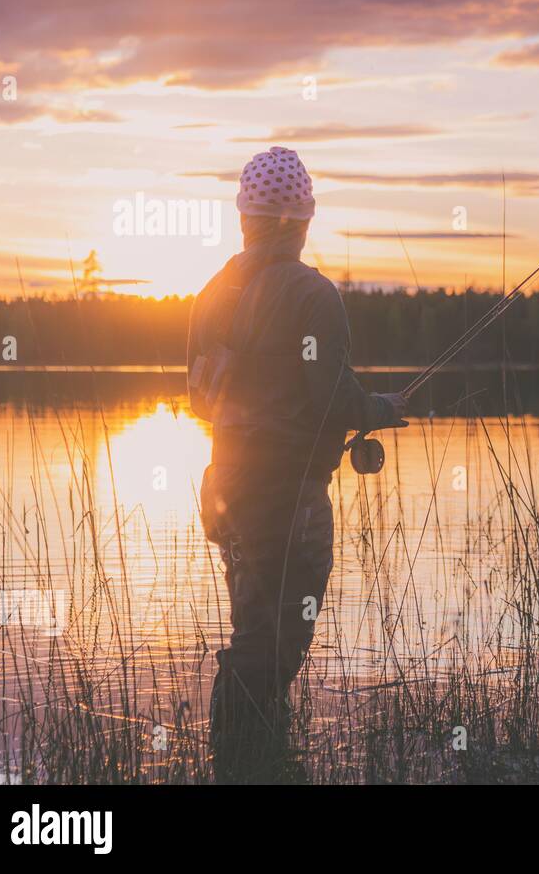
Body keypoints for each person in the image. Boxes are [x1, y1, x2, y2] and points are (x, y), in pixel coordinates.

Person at [187, 146, 407, 783]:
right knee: (277, 638)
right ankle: (247, 760)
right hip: (287, 499)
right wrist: (381, 407)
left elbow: (198, 397)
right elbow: (331, 398)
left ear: (244, 217)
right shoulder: (315, 294)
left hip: (224, 489)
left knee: (256, 624)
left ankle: (242, 760)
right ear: (304, 219)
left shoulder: (208, 295)